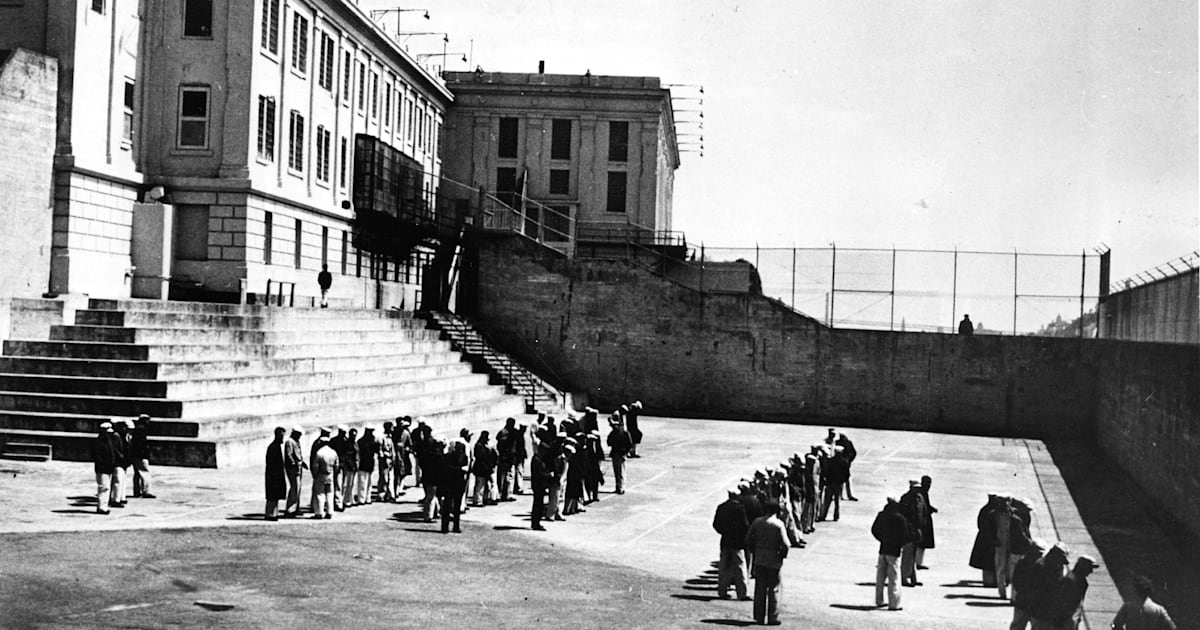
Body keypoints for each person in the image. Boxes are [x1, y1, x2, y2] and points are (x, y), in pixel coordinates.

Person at [745, 499, 789, 625]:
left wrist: (755, 551)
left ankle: (759, 616)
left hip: (760, 559)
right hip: (774, 560)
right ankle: (772, 617)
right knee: (774, 589)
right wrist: (782, 555)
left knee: (760, 589)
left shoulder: (757, 522)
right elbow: (786, 544)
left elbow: (748, 539)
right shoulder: (778, 524)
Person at [871, 498, 912, 611]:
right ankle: (894, 603)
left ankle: (879, 600)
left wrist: (882, 539)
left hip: (883, 549)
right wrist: (899, 544)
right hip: (894, 551)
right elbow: (906, 535)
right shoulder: (900, 518)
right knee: (894, 578)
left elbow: (874, 530)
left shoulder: (882, 515)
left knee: (880, 577)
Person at [1039, 556, 1099, 630]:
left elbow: (1078, 605)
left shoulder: (1082, 583)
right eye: (1090, 568)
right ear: (1083, 567)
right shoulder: (1068, 582)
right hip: (1061, 623)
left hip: (1071, 622)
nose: (1091, 571)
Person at [712, 488, 751, 601]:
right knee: (740, 567)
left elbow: (716, 524)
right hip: (738, 542)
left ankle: (722, 591)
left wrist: (724, 532)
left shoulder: (721, 507)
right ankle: (742, 593)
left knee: (724, 566)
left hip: (725, 541)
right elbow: (745, 525)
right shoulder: (740, 508)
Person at [1111, 574, 1176, 630]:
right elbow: (1172, 627)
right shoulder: (1159, 609)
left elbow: (1114, 625)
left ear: (1136, 590)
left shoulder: (1127, 608)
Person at [1010, 539, 1048, 630]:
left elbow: (1015, 581)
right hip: (1030, 602)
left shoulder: (1023, 562)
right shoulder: (1041, 566)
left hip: (1024, 601)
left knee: (1018, 625)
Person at [899, 480, 928, 587]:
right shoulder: (906, 498)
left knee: (914, 555)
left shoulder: (920, 498)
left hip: (918, 530)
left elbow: (924, 512)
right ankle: (904, 577)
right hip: (909, 530)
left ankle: (912, 577)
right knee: (907, 554)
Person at [438, 439, 469, 533]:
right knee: (456, 507)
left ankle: (445, 527)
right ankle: (456, 526)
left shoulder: (447, 456)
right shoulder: (463, 457)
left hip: (449, 483)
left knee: (447, 506)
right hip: (457, 484)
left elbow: (444, 469)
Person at [91, 422, 118, 515]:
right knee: (103, 487)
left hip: (108, 468)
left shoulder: (108, 441)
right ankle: (102, 507)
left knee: (106, 488)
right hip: (102, 469)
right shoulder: (98, 442)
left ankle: (104, 506)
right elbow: (97, 457)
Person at [310, 434, 338, 519]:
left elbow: (315, 466)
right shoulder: (333, 452)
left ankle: (319, 512)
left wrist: (315, 475)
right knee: (329, 494)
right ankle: (329, 512)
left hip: (321, 475)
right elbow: (336, 465)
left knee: (320, 494)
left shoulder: (319, 453)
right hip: (330, 474)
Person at [819, 447, 849, 522]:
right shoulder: (844, 462)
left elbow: (826, 471)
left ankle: (823, 515)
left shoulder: (830, 461)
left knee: (827, 501)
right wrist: (842, 481)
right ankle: (836, 516)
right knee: (837, 501)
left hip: (830, 483)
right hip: (838, 484)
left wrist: (827, 480)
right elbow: (847, 474)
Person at [130, 414, 156, 499]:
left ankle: (137, 491)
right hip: (141, 455)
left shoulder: (137, 429)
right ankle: (146, 491)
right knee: (145, 473)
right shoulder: (141, 430)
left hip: (135, 455)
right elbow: (141, 444)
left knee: (137, 474)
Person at [264, 427, 287, 521]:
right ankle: (270, 514)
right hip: (274, 475)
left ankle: (273, 513)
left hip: (276, 475)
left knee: (275, 496)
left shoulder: (276, 446)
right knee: (272, 496)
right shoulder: (273, 447)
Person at [283, 426, 306, 517]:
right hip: (293, 468)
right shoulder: (289, 442)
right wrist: (294, 464)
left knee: (298, 488)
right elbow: (289, 455)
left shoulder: (296, 441)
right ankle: (290, 509)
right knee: (294, 487)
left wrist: (302, 462)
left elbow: (298, 454)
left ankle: (296, 507)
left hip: (298, 466)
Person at [606, 414, 632, 494]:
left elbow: (629, 444)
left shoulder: (621, 433)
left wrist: (625, 452)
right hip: (617, 453)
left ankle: (621, 487)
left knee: (620, 471)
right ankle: (619, 486)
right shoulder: (622, 433)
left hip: (619, 453)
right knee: (618, 471)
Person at [471, 430, 498, 506]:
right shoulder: (479, 446)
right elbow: (481, 458)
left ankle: (485, 499)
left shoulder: (485, 445)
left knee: (486, 485)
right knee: (480, 485)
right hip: (481, 469)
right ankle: (478, 501)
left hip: (486, 468)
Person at [916, 475, 937, 569]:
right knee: (921, 544)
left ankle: (918, 562)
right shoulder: (922, 493)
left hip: (925, 521)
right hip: (923, 522)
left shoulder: (924, 493)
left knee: (922, 544)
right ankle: (918, 562)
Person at [111, 419, 132, 507]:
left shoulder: (125, 436)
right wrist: (121, 456)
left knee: (122, 480)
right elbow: (116, 449)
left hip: (123, 462)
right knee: (118, 480)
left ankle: (120, 497)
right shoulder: (116, 436)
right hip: (118, 462)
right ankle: (115, 499)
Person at [355, 427, 377, 505]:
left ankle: (362, 499)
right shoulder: (372, 441)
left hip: (363, 464)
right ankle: (367, 498)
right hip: (368, 463)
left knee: (363, 482)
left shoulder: (360, 441)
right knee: (368, 483)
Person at [834, 431, 857, 500]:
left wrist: (849, 460)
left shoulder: (848, 443)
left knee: (847, 479)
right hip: (840, 464)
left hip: (845, 464)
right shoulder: (837, 442)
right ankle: (840, 495)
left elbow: (854, 453)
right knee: (841, 480)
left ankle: (849, 495)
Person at [377, 422, 395, 502]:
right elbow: (380, 450)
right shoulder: (382, 437)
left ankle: (390, 494)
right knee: (384, 478)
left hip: (390, 459)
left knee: (391, 478)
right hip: (385, 459)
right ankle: (382, 494)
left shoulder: (390, 437)